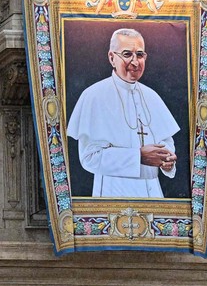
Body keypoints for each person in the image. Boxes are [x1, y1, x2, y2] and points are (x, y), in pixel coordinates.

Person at [66, 28, 180, 198]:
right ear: (112, 58)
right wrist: (138, 157)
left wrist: (167, 162)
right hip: (113, 194)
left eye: (140, 55)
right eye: (127, 54)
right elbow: (89, 158)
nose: (135, 62)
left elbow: (166, 142)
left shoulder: (151, 96)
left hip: (154, 195)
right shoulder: (94, 96)